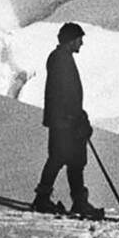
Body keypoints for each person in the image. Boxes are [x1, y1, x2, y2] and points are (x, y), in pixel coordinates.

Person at [32, 22, 103, 219]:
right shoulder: (60, 59)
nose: (81, 43)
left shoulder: (61, 58)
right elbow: (63, 93)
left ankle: (76, 201)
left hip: (66, 120)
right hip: (64, 122)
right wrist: (76, 118)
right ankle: (44, 199)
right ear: (71, 40)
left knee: (74, 161)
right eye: (79, 39)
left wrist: (79, 117)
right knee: (59, 158)